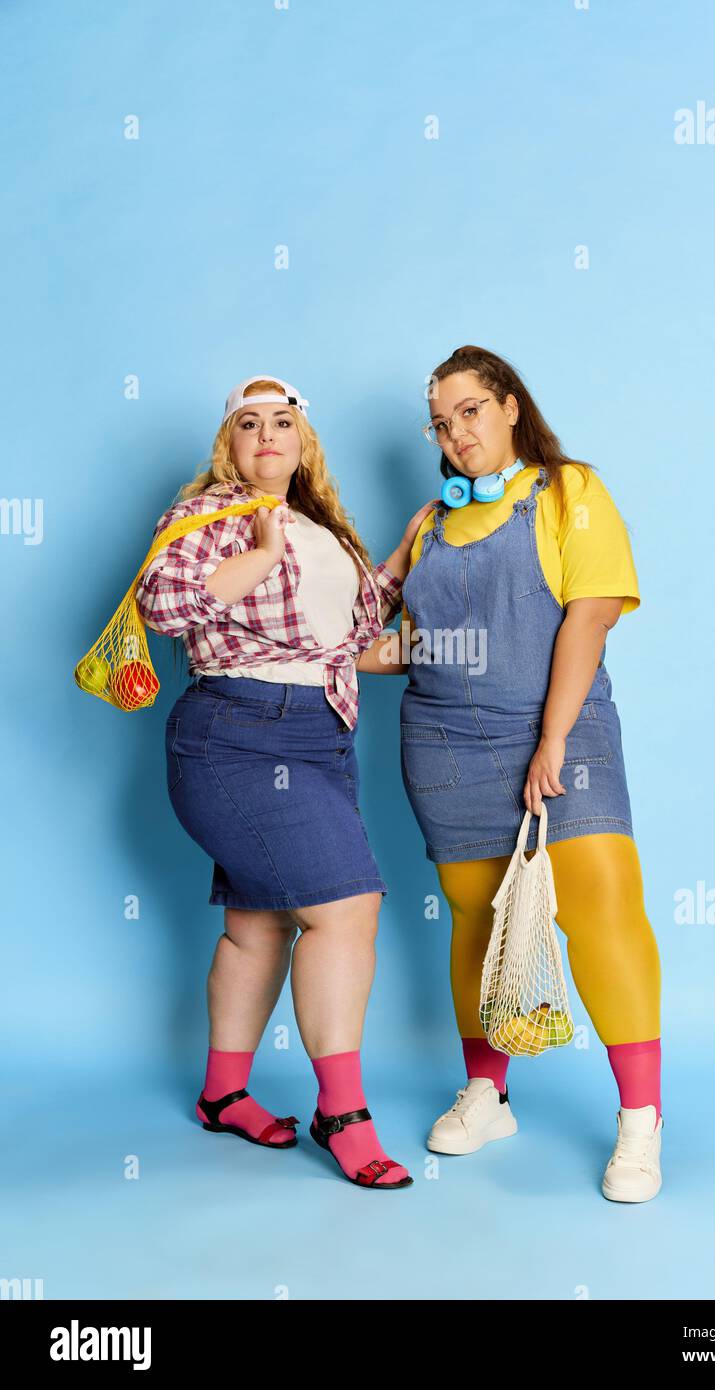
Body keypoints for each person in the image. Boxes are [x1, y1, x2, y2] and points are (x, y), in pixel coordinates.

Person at [365, 346, 663, 1202]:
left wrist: (552, 740)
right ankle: (487, 1092)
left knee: (601, 906)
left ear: (507, 407)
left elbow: (590, 615)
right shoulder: (429, 524)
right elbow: (399, 640)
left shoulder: (569, 490)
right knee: (476, 922)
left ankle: (639, 1121)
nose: (455, 432)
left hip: (560, 736)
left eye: (469, 410)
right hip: (443, 742)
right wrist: (320, 654)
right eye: (441, 420)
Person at [135, 375, 433, 1190]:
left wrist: (402, 559)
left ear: (303, 443)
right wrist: (259, 552)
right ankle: (343, 1112)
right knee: (346, 907)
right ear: (227, 446)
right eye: (247, 424)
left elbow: (356, 637)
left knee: (258, 927)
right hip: (234, 733)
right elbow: (164, 605)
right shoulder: (208, 516)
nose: (266, 434)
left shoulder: (322, 530)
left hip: (318, 738)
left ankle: (222, 1093)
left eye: (282, 422)